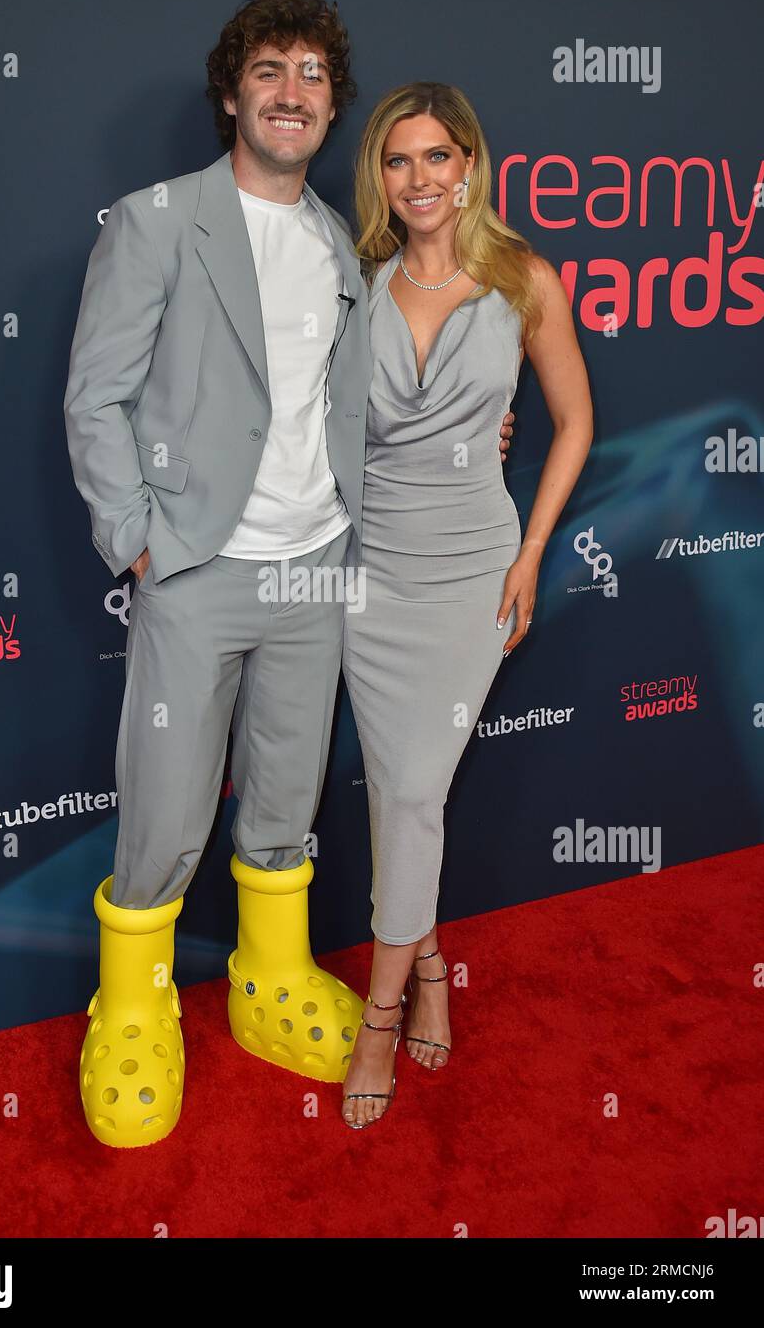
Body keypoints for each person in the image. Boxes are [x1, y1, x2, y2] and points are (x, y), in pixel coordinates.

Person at [63, 0, 515, 1149]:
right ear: (233, 92)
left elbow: (376, 393)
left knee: (285, 796)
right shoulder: (157, 220)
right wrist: (137, 536)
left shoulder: (339, 242)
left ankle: (269, 981)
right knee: (165, 803)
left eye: (314, 73)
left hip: (321, 565)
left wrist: (482, 425)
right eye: (271, 69)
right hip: (197, 568)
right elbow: (95, 396)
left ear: (329, 105)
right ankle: (131, 1007)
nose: (292, 91)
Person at [339, 83, 594, 1129]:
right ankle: (432, 961)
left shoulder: (525, 279)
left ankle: (382, 1013)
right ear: (381, 179)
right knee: (400, 790)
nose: (421, 179)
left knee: (411, 792)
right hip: (370, 576)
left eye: (440, 156)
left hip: (473, 574)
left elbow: (575, 422)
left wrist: (531, 550)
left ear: (472, 164)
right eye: (400, 162)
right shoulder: (356, 283)